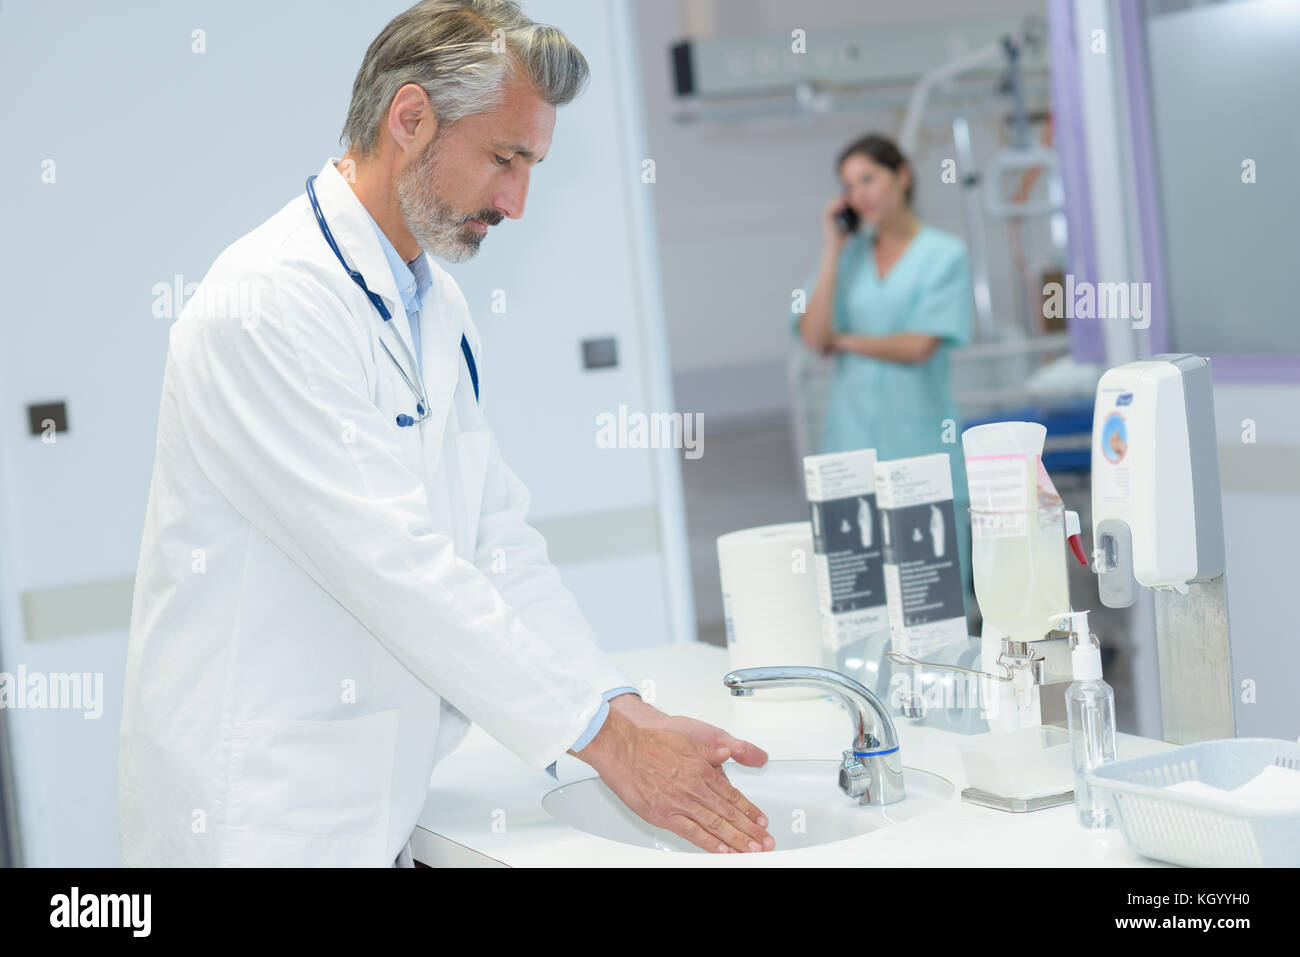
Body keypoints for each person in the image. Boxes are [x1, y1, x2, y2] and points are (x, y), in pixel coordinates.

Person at [118, 0, 774, 866]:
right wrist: (601, 737)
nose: (517, 201)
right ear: (411, 117)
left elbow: (494, 540)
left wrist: (618, 702)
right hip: (257, 816)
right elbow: (396, 565)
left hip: (371, 800)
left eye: (532, 164)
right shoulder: (268, 303)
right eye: (504, 159)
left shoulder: (430, 300)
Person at [792, 133, 974, 593]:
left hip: (920, 455)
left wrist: (846, 340)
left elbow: (917, 348)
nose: (860, 194)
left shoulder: (944, 255)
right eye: (850, 186)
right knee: (855, 609)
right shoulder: (847, 258)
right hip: (847, 453)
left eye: (869, 178)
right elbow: (814, 335)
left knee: (934, 606)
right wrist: (832, 248)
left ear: (903, 175)